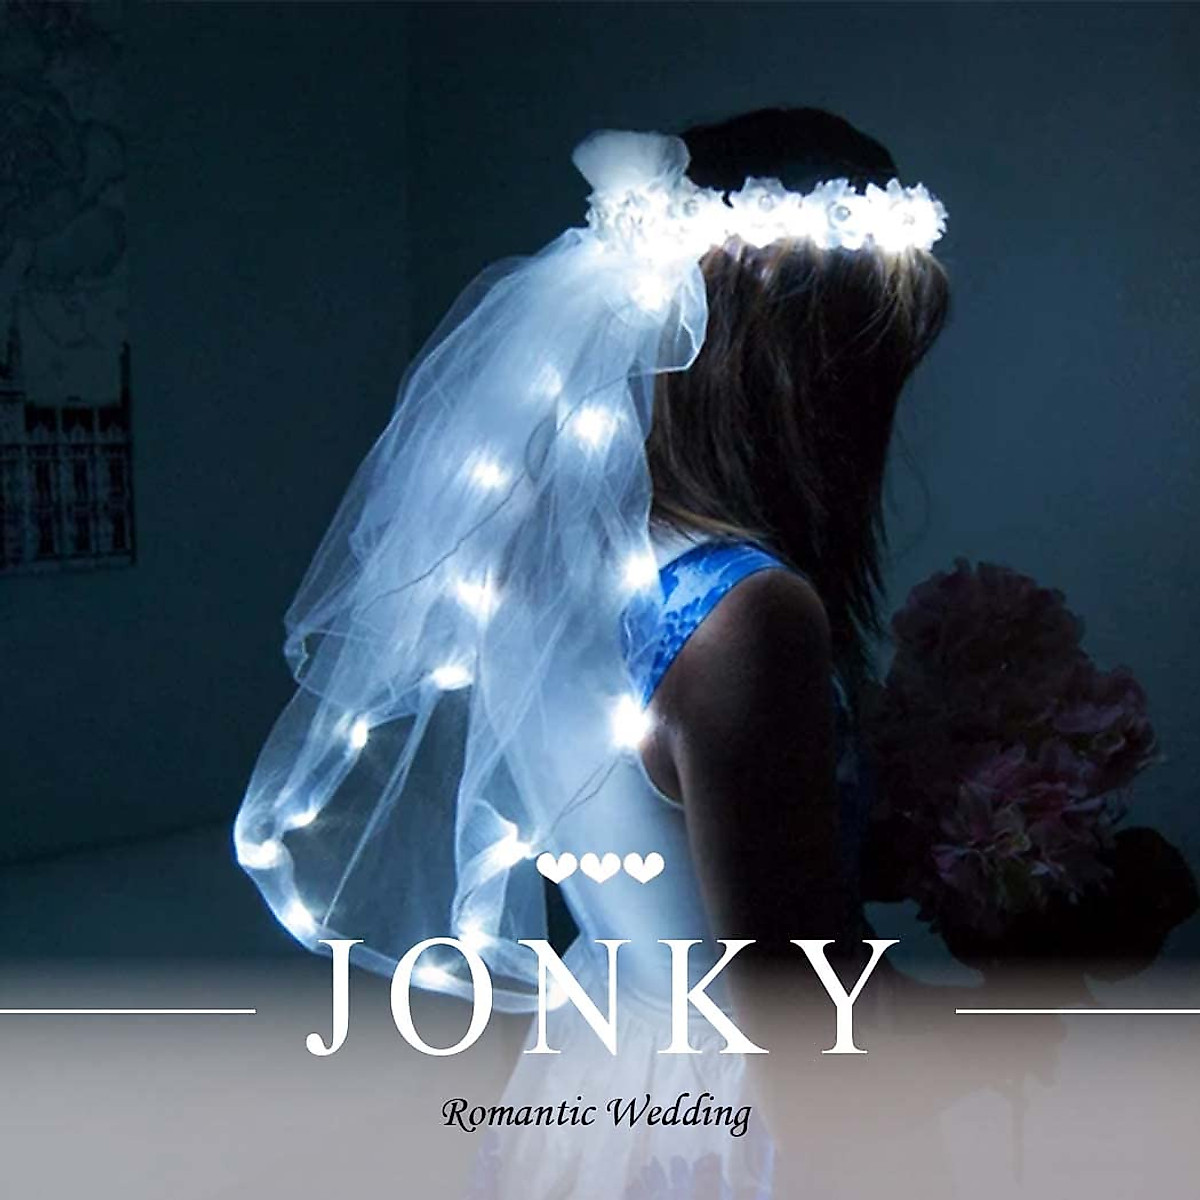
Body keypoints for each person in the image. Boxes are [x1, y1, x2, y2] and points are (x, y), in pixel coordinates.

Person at [234, 107, 951, 1197]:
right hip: (730, 1118)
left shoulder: (527, 557)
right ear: (809, 377)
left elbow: (690, 867)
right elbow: (799, 1034)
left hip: (601, 1071)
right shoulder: (749, 615)